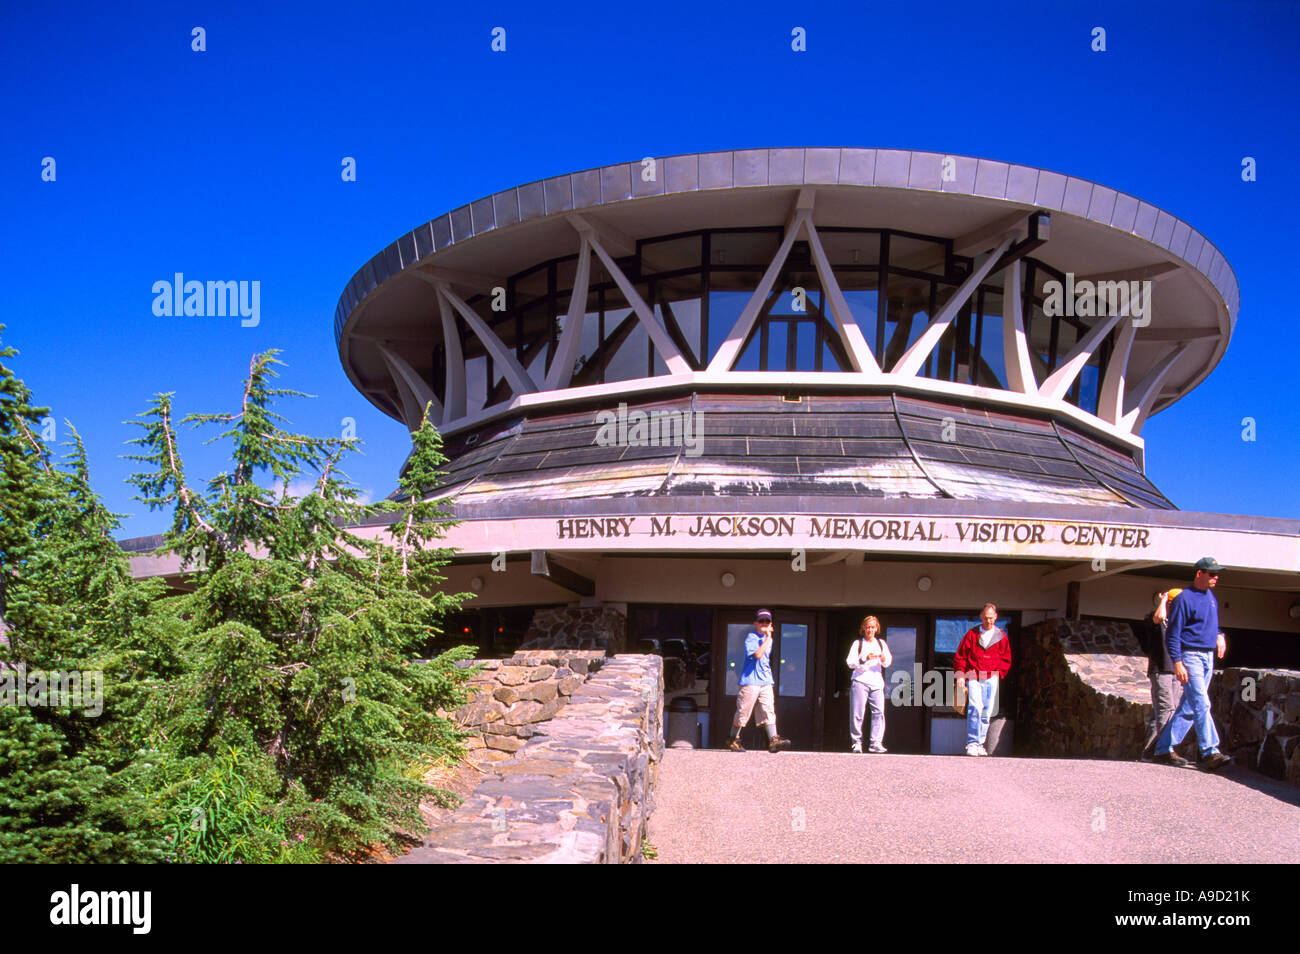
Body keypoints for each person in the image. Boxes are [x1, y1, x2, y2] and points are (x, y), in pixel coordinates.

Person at [1153, 558, 1230, 772]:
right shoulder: (1183, 599)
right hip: (1191, 657)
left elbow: (1210, 626)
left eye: (1217, 573)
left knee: (1189, 706)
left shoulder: (1211, 598)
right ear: (1199, 574)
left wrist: (1220, 635)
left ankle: (1161, 749)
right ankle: (1210, 751)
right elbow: (1173, 634)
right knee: (1202, 702)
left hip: (1207, 657)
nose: (1216, 577)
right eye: (1211, 573)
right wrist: (1178, 663)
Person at [727, 609, 792, 753]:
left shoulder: (770, 639)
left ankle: (773, 740)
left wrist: (768, 638)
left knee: (768, 710)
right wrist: (767, 638)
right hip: (750, 681)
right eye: (761, 621)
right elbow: (757, 654)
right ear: (755, 623)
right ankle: (733, 739)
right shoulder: (751, 637)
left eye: (767, 621)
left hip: (766, 680)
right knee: (743, 712)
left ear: (770, 624)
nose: (764, 624)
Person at [952, 603, 1012, 757]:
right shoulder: (972, 635)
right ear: (981, 617)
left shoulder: (1001, 636)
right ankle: (972, 743)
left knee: (987, 711)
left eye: (991, 618)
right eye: (986, 618)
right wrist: (960, 676)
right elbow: (961, 657)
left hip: (991, 677)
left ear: (996, 617)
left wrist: (998, 673)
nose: (988, 621)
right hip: (973, 676)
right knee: (974, 708)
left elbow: (1006, 658)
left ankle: (980, 743)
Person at [1137, 589, 1181, 761]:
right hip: (1160, 670)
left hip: (1176, 671)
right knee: (1165, 709)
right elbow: (1159, 618)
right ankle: (1165, 750)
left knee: (1170, 711)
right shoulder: (1153, 617)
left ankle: (1150, 751)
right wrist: (1163, 601)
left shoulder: (1179, 622)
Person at [846, 616, 891, 753]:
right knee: (857, 713)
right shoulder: (858, 643)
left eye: (873, 627)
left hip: (877, 682)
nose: (870, 630)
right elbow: (850, 662)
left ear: (877, 628)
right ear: (863, 628)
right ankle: (857, 742)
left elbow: (888, 662)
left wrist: (883, 658)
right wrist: (865, 658)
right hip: (860, 681)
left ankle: (875, 742)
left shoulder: (881, 643)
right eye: (868, 627)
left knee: (879, 712)